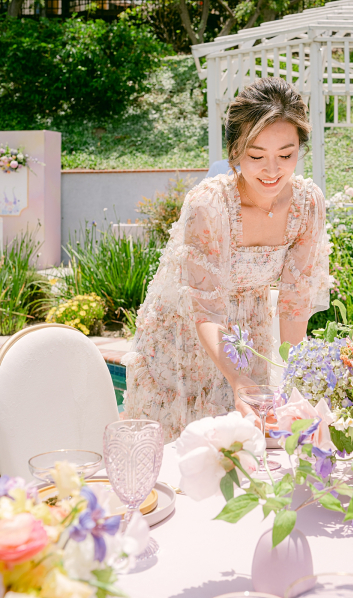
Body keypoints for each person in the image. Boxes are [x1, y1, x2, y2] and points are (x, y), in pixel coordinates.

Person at [123, 77, 330, 442]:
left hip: (249, 332)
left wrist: (299, 385)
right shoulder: (210, 204)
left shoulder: (307, 204)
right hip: (186, 336)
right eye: (256, 156)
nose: (272, 170)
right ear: (235, 151)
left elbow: (294, 306)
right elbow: (206, 309)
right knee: (185, 458)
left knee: (251, 451)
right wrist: (237, 379)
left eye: (286, 154)